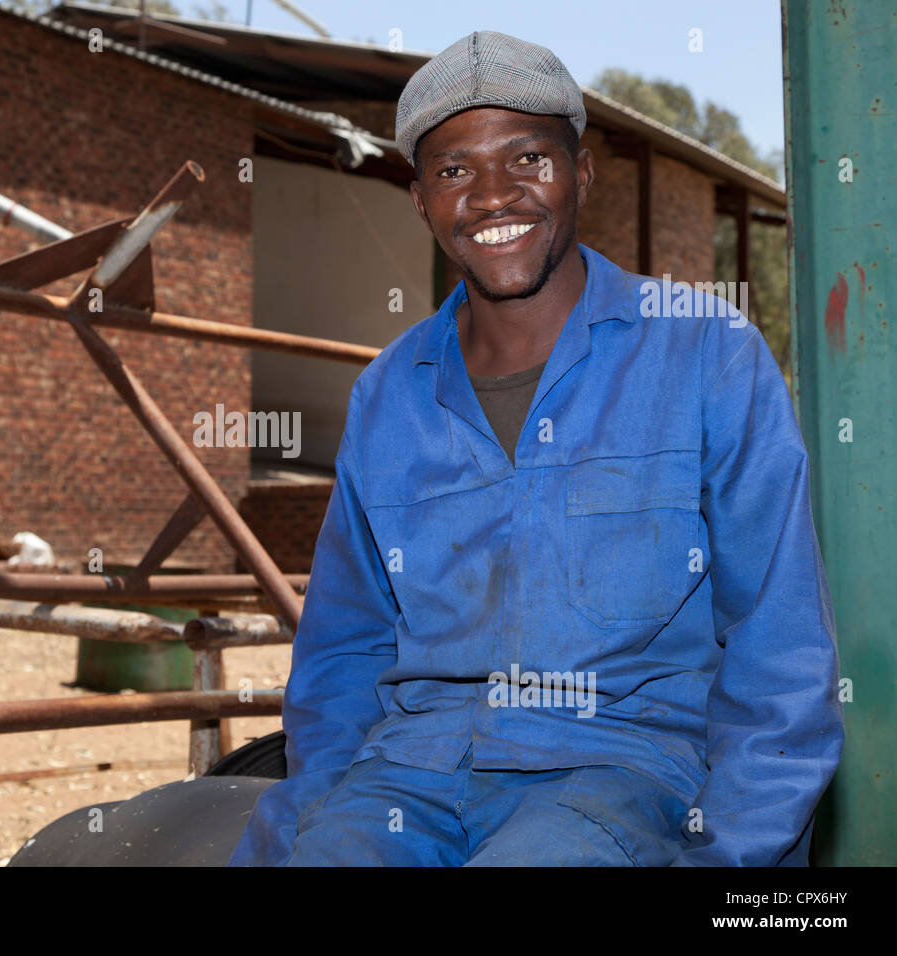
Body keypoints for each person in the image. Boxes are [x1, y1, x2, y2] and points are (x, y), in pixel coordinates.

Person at [229, 31, 844, 866]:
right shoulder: (389, 394)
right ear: (420, 201)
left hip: (620, 771)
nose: (492, 196)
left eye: (527, 159)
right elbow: (345, 644)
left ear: (580, 172)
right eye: (453, 170)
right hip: (412, 772)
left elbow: (780, 649)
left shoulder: (704, 354)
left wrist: (730, 857)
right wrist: (322, 812)